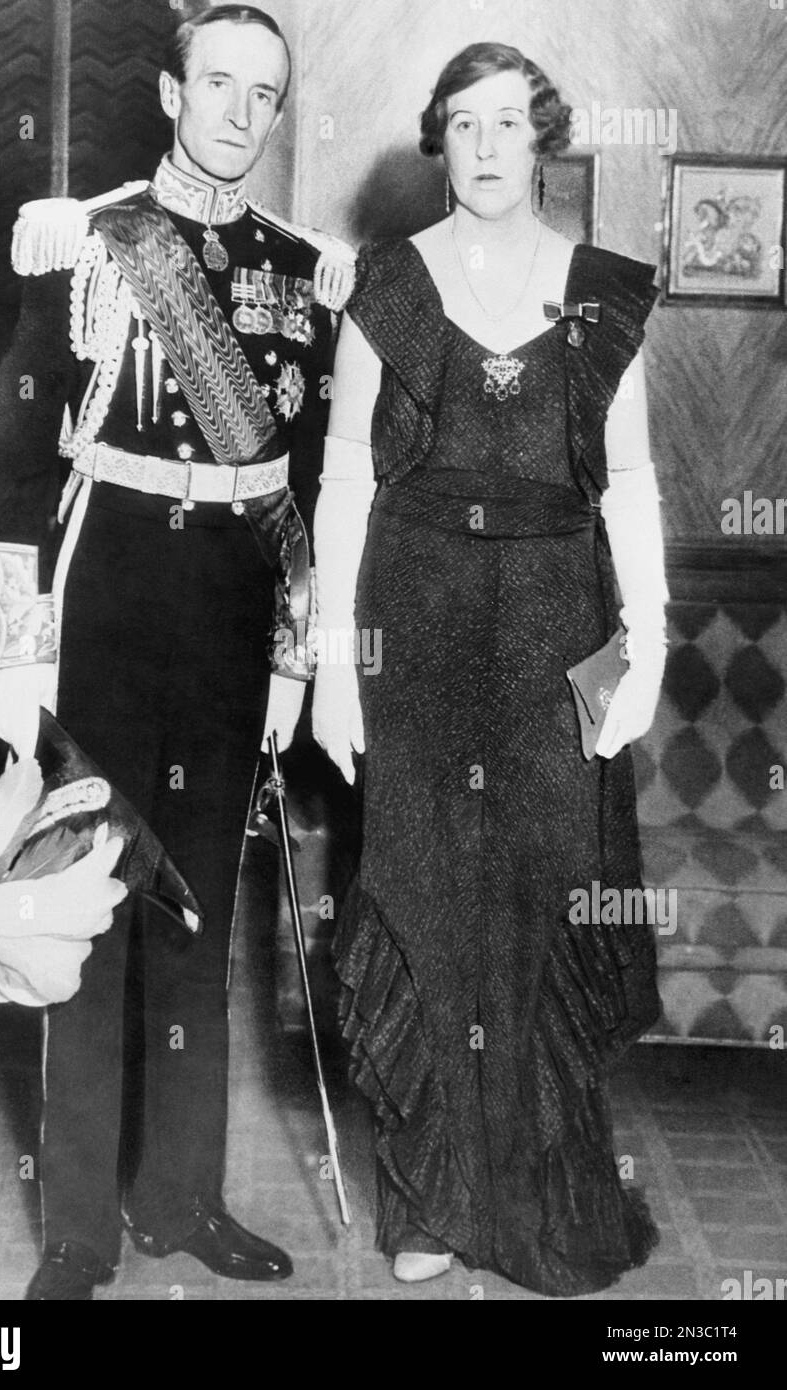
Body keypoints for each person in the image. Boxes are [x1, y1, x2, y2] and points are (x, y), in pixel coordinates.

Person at [0, 5, 353, 1299]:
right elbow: (13, 456)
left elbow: (304, 489)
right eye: (219, 84)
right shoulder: (89, 236)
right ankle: (78, 1230)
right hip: (107, 603)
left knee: (196, 921)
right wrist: (19, 652)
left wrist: (293, 660)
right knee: (86, 908)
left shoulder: (306, 269)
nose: (241, 112)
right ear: (171, 92)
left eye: (265, 93)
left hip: (232, 614)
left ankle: (180, 1196)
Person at [312, 41, 667, 1296]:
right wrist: (333, 665)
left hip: (557, 639)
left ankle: (540, 1200)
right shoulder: (389, 286)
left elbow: (631, 483)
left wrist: (649, 639)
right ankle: (429, 1207)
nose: (485, 145)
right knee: (424, 900)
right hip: (413, 633)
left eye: (509, 122)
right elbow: (343, 479)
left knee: (543, 900)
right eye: (463, 123)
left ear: (543, 138)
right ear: (440, 140)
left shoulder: (601, 297)